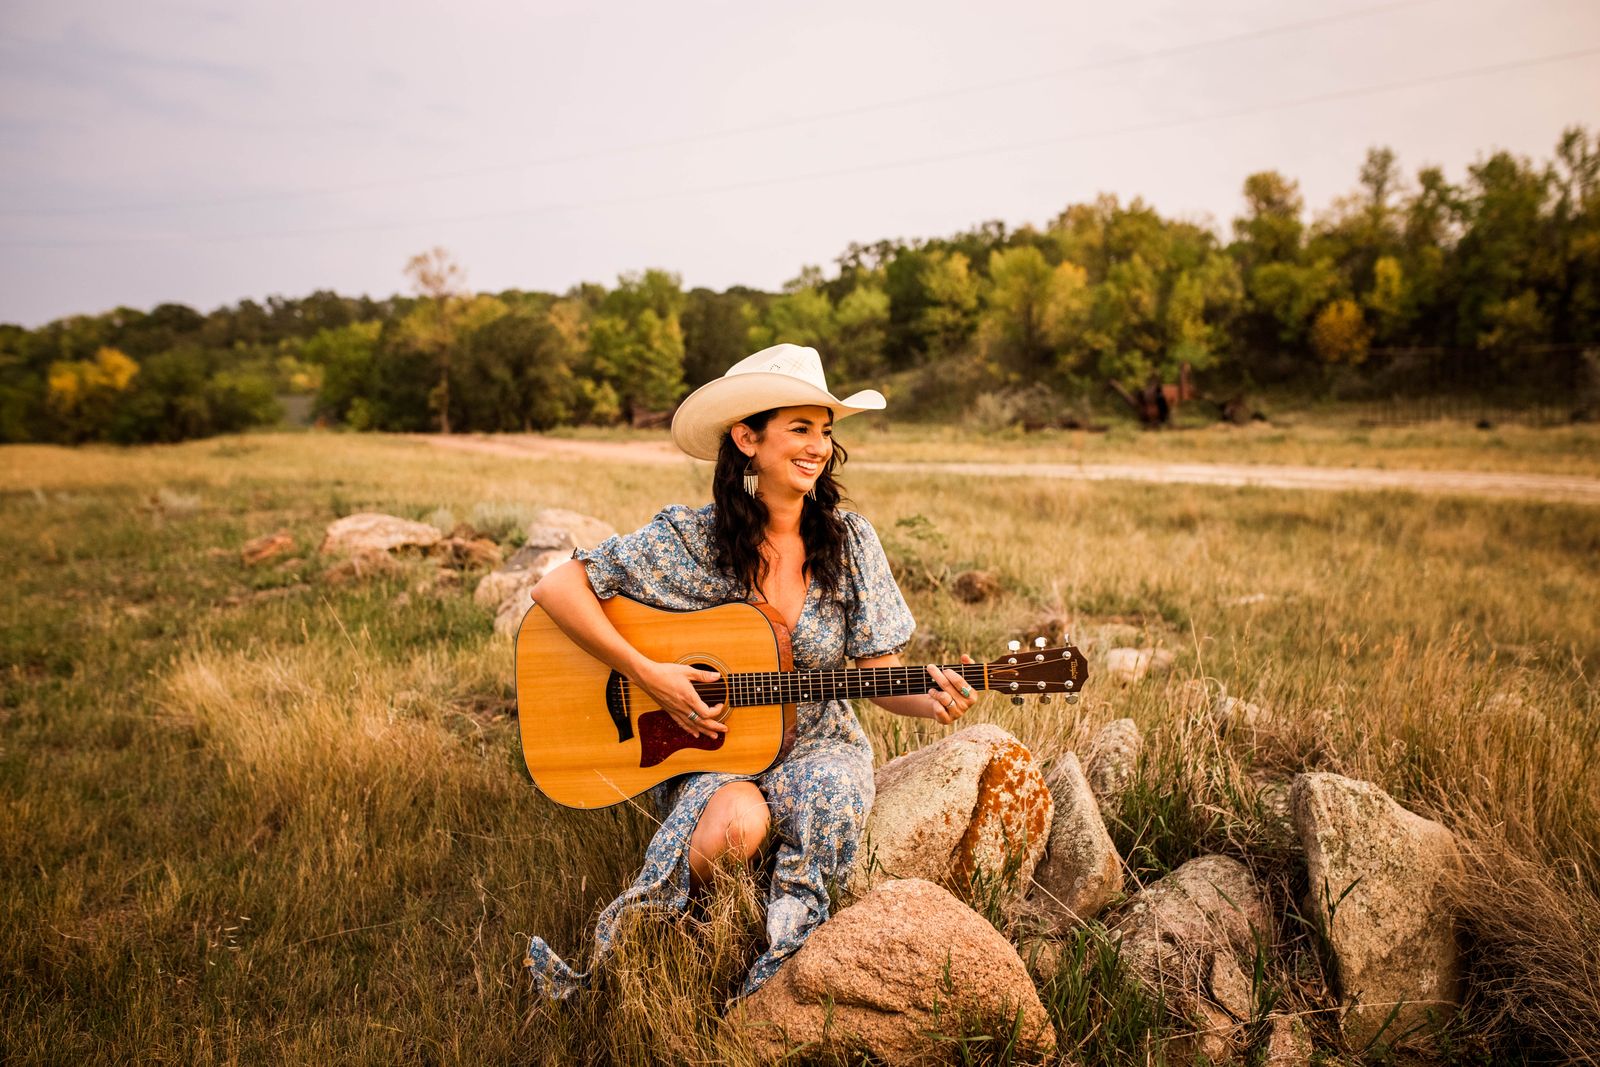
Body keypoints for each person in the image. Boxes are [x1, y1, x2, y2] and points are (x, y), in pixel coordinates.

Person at [523, 343, 982, 1000]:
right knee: (732, 826)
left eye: (824, 432)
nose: (818, 447)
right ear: (747, 437)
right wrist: (650, 672)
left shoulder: (850, 542)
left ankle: (773, 987)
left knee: (827, 801)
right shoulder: (690, 538)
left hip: (818, 742)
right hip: (707, 744)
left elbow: (878, 671)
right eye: (800, 428)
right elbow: (557, 587)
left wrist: (931, 696)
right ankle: (632, 961)